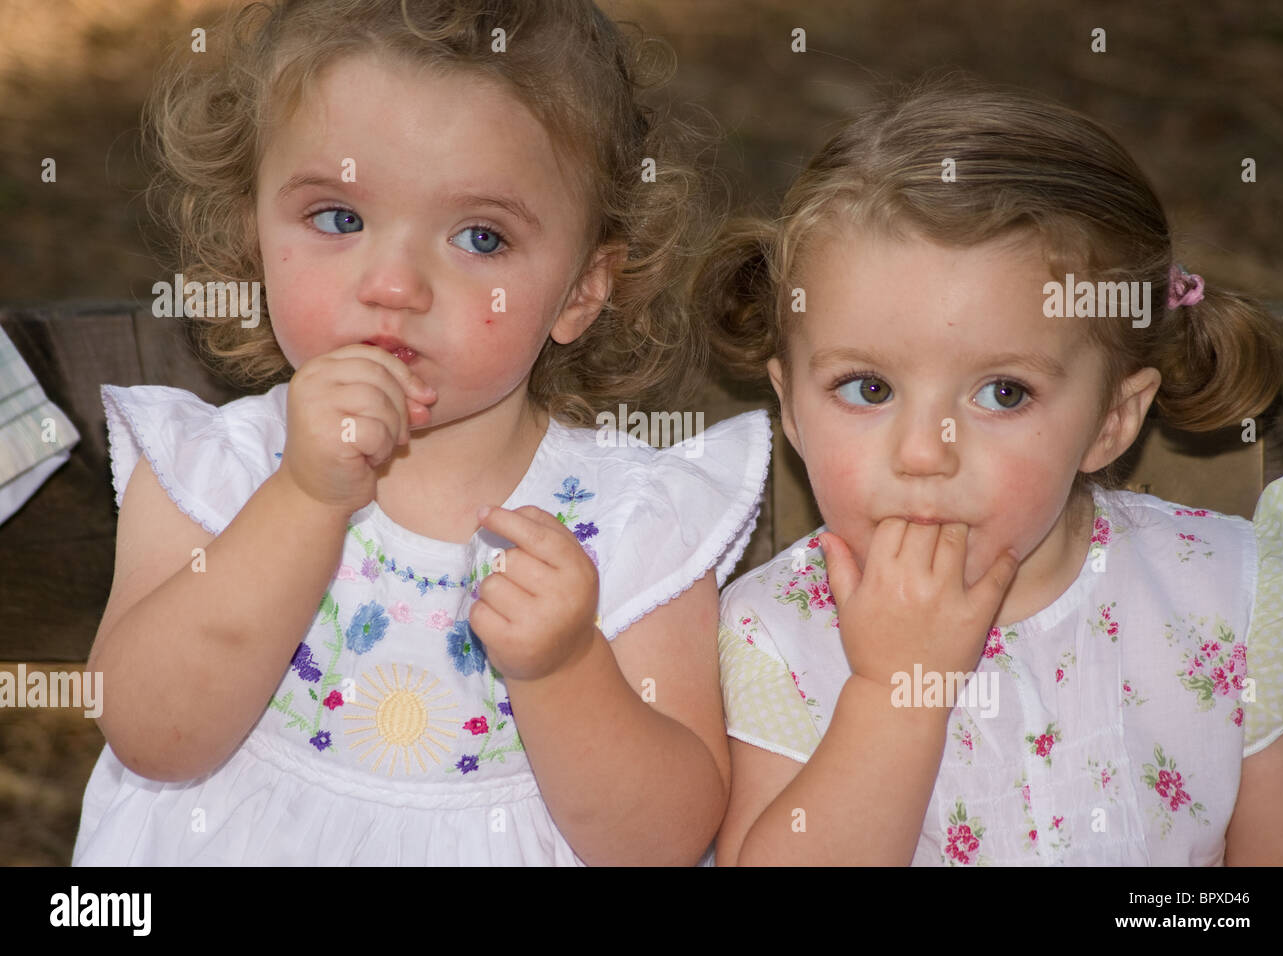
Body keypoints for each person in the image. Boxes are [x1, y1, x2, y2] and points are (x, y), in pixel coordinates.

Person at [74, 0, 770, 866]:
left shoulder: (632, 523)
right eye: (338, 218)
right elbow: (151, 733)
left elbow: (664, 840)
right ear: (252, 231)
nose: (394, 283)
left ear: (582, 291)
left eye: (481, 237)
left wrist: (565, 670)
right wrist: (299, 500)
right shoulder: (212, 472)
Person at [699, 73, 1283, 865]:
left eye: (1003, 392)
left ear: (1112, 420)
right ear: (792, 408)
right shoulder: (776, 633)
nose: (923, 451)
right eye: (867, 388)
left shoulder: (1236, 597)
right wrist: (894, 698)